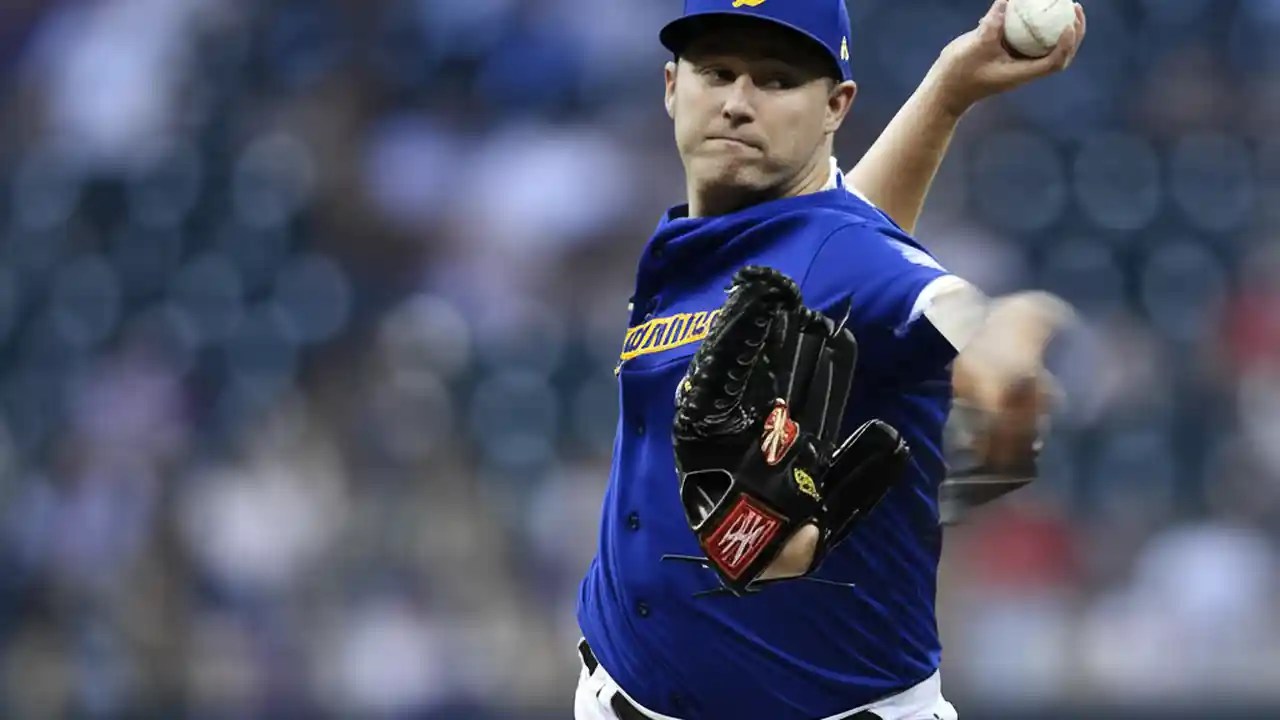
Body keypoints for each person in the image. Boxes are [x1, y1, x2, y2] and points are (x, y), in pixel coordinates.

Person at [574, 1, 1087, 718]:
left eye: (777, 81)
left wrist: (999, 348)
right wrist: (946, 93)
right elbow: (841, 234)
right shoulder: (718, 243)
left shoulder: (845, 256)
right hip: (615, 691)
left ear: (836, 106)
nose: (737, 103)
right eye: (717, 72)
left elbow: (926, 295)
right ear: (670, 85)